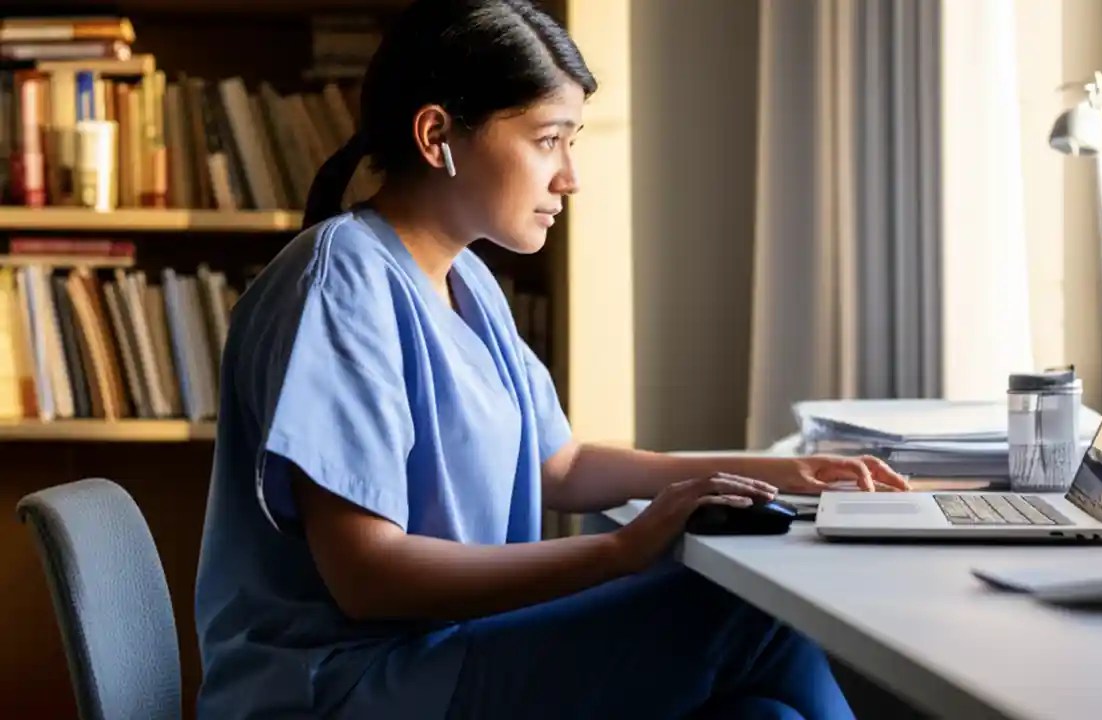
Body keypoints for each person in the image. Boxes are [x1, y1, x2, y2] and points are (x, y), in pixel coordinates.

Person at [193, 1, 910, 718]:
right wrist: (620, 552)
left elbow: (558, 467)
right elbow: (368, 577)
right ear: (436, 134)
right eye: (547, 140)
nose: (568, 176)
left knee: (763, 717)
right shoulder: (339, 284)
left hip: (440, 659)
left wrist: (776, 472)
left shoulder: (465, 277)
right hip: (344, 689)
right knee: (749, 616)